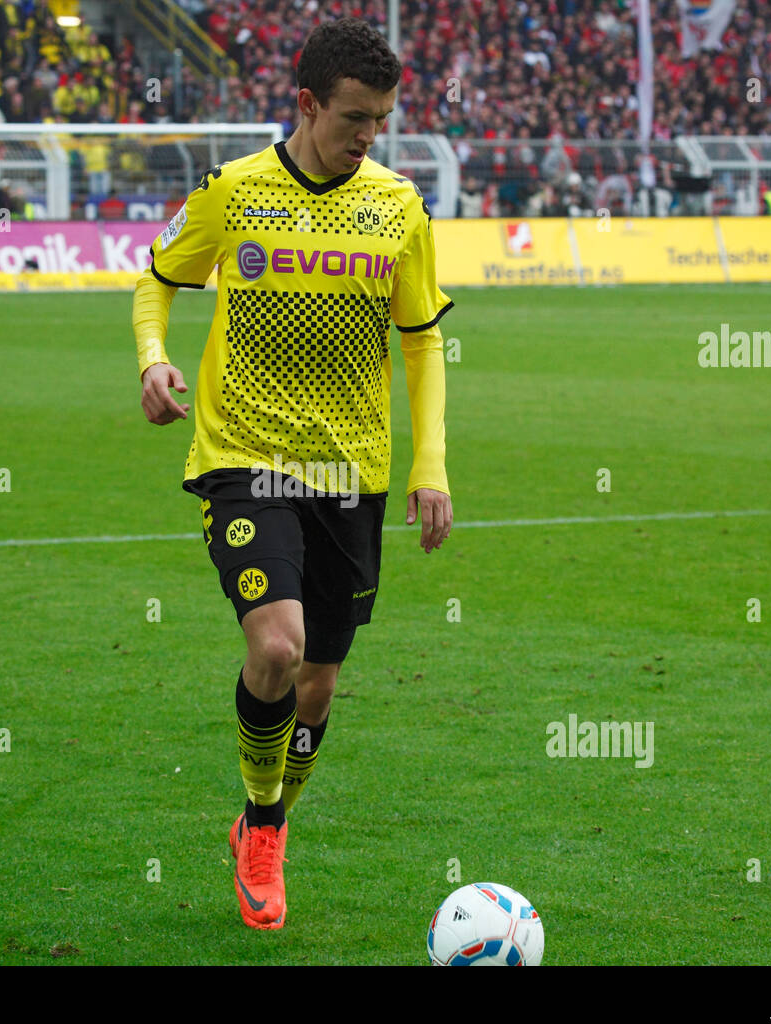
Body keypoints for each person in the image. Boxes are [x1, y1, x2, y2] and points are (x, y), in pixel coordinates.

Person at [130, 16, 453, 931]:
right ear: (307, 103)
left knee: (317, 682)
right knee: (273, 646)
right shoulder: (235, 191)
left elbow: (423, 342)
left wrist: (430, 464)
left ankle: (260, 817)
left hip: (352, 468)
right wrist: (153, 358)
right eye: (354, 118)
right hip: (244, 454)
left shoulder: (398, 206)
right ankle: (267, 830)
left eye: (381, 120)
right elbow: (158, 277)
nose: (367, 137)